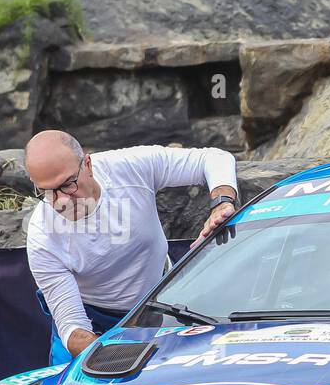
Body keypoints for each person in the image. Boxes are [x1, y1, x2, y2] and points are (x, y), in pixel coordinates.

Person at [24, 131, 238, 363]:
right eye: (46, 191)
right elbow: (73, 329)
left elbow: (214, 158)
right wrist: (126, 359)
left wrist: (221, 203)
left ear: (88, 164)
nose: (61, 200)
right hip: (93, 315)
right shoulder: (42, 236)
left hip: (163, 298)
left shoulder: (127, 167)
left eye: (68, 184)